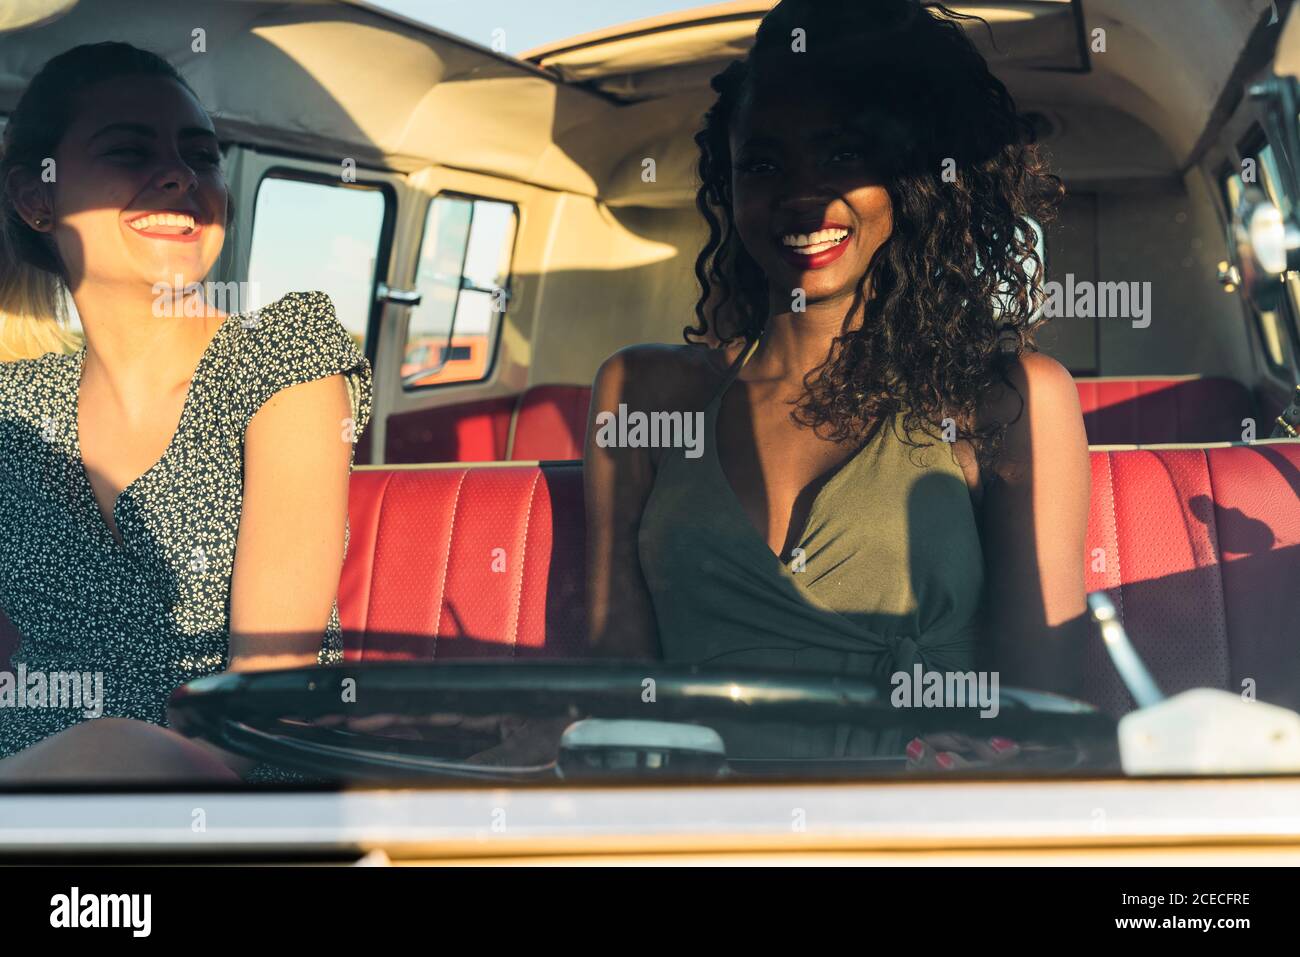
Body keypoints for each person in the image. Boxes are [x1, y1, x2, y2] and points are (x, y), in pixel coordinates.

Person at [584, 0, 1090, 766]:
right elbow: (615, 682)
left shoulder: (1008, 398)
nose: (801, 196)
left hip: (918, 825)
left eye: (842, 156)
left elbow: (1045, 720)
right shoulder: (642, 391)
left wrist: (985, 756)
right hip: (693, 822)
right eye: (763, 163)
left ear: (912, 181)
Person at [0, 43, 371, 781]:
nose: (180, 175)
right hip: (33, 787)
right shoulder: (15, 408)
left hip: (224, 784)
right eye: (130, 149)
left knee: (124, 748)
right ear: (36, 200)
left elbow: (261, 695)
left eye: (202, 156)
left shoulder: (282, 364)